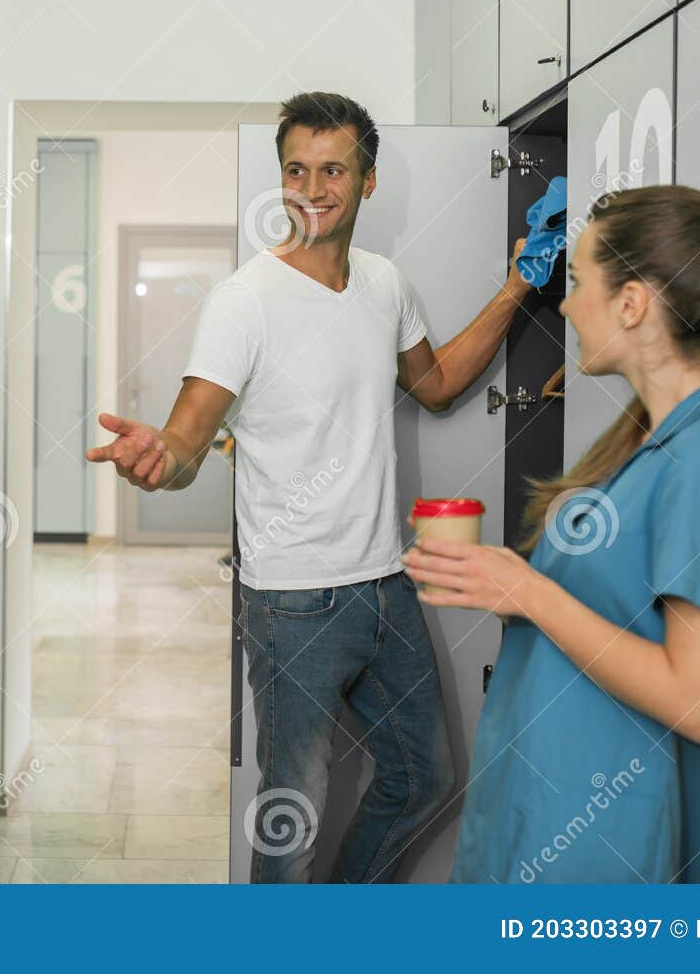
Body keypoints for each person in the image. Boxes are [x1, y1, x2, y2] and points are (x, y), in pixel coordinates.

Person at [89, 91, 533, 882]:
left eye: (334, 169)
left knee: (423, 776)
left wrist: (516, 287)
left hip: (385, 583)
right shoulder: (245, 300)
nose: (313, 187)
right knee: (289, 816)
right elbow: (190, 436)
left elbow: (435, 385)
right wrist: (161, 457)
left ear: (368, 180)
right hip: (293, 600)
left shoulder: (384, 284)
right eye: (297, 169)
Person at [404, 185, 700, 883]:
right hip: (541, 814)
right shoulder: (645, 441)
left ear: (633, 302)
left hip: (602, 850)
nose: (563, 302)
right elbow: (617, 610)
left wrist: (527, 591)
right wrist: (503, 588)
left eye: (579, 281)